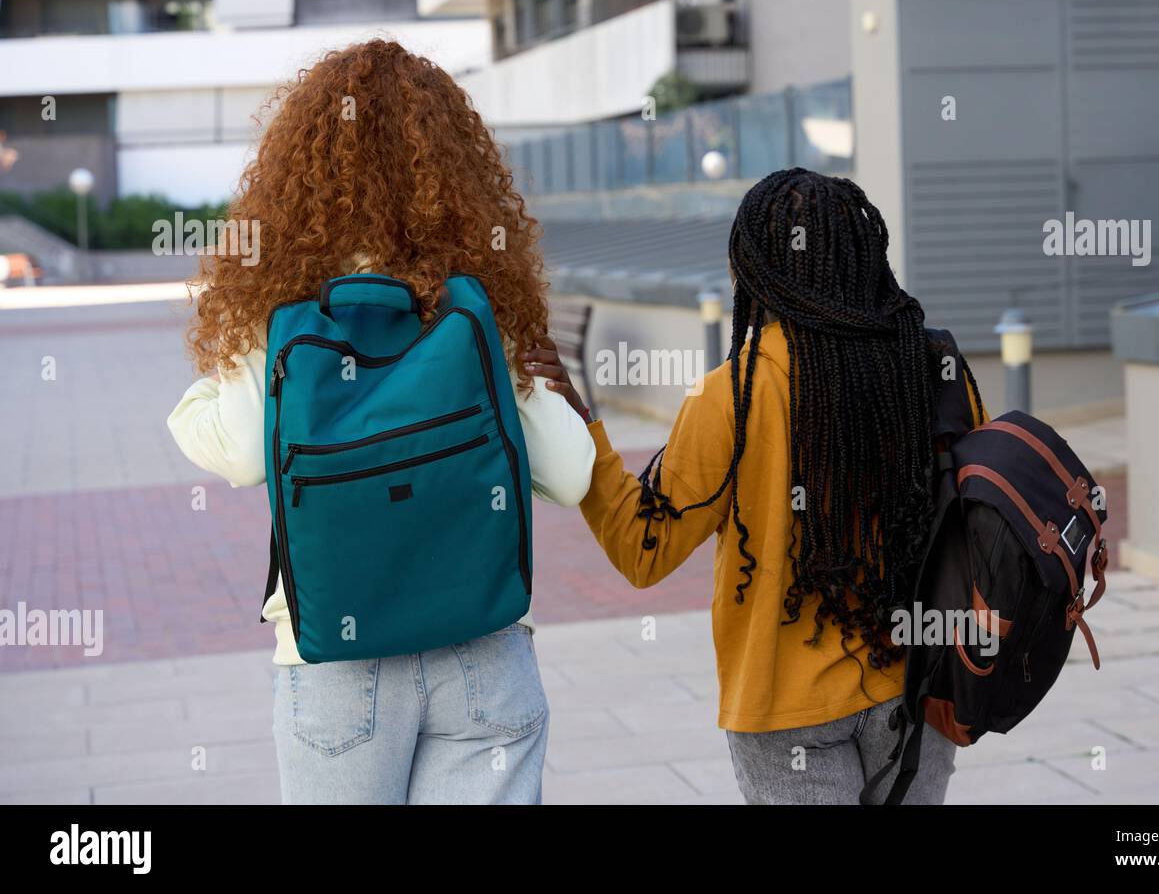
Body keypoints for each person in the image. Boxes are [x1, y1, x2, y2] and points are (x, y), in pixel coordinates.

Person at [167, 39, 594, 804]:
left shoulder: (286, 316)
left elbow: (236, 453)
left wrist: (203, 393)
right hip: (484, 655)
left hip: (337, 664)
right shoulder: (477, 308)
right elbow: (571, 471)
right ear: (459, 168)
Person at [527, 168, 985, 804]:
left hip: (785, 708)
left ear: (753, 270)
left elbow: (643, 550)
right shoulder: (932, 368)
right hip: (916, 689)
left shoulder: (733, 395)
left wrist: (583, 430)